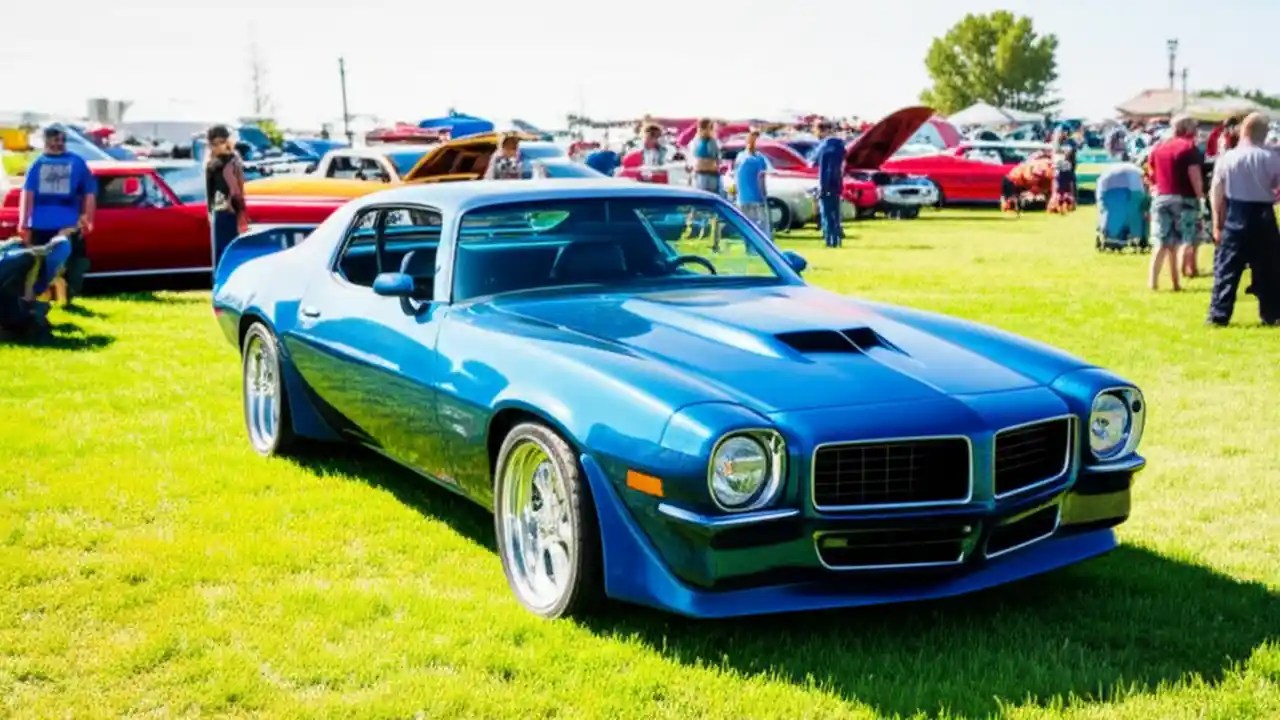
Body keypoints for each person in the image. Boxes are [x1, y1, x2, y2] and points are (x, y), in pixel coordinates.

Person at [1207, 112, 1280, 327]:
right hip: (1263, 214)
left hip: (1236, 213)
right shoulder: (1271, 158)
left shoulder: (1227, 158)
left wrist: (1216, 222)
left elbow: (1217, 193)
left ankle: (1219, 314)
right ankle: (1272, 312)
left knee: (1227, 267)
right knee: (1269, 267)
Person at [17, 125, 95, 306]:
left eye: (62, 140)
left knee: (71, 263)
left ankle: (65, 297)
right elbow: (27, 194)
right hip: (40, 224)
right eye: (55, 140)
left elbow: (89, 193)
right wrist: (24, 223)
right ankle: (36, 296)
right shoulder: (38, 164)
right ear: (46, 141)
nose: (59, 144)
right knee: (38, 263)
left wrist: (88, 219)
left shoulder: (77, 162)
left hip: (68, 224)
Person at [1146, 115, 1206, 291]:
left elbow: (1152, 173)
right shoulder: (1189, 148)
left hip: (1162, 197)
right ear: (1188, 129)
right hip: (1184, 198)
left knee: (1163, 242)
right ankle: (1183, 273)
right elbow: (1194, 176)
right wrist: (1200, 197)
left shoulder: (1159, 147)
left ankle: (1154, 281)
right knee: (1186, 239)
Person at [204, 125, 248, 272]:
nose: (219, 146)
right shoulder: (211, 165)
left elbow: (240, 189)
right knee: (220, 252)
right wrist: (210, 212)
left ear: (228, 141)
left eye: (222, 142)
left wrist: (241, 212)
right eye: (214, 144)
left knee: (233, 251)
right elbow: (209, 192)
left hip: (234, 210)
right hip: (219, 211)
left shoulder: (234, 161)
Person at [813, 121, 846, 248]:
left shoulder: (825, 147)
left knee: (826, 214)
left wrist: (822, 187)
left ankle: (829, 239)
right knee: (835, 213)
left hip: (827, 185)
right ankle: (837, 238)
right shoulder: (839, 146)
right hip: (837, 184)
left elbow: (824, 170)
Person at [734, 130, 771, 241]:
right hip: (750, 197)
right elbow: (761, 178)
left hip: (747, 197)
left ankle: (751, 245)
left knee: (749, 224)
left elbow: (737, 176)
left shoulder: (743, 157)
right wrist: (764, 195)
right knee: (756, 225)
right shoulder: (755, 159)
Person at [688, 119, 721, 196]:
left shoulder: (713, 142)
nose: (708, 130)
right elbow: (692, 159)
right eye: (706, 127)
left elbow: (717, 158)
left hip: (711, 174)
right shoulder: (695, 142)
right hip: (700, 174)